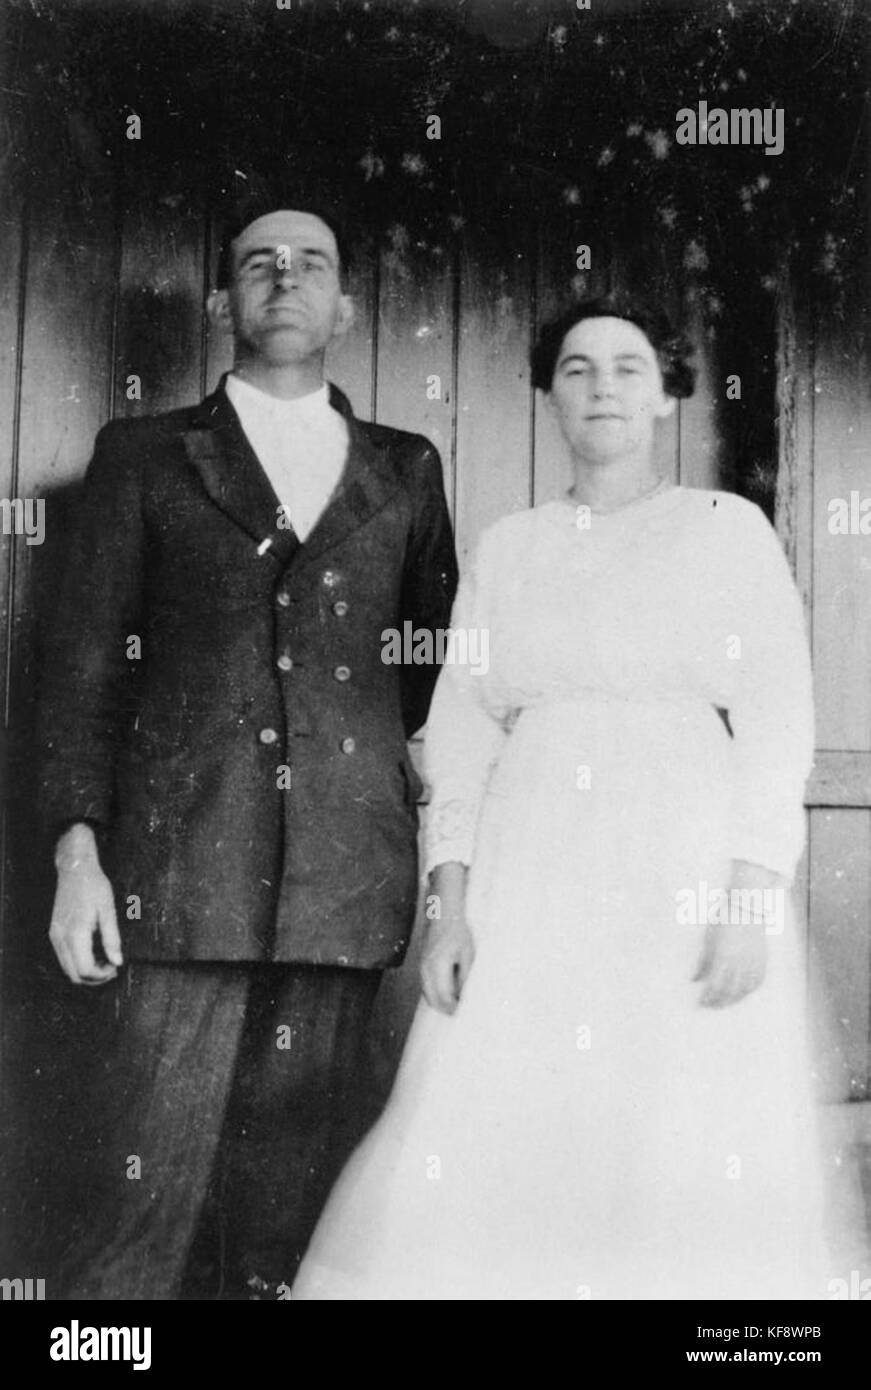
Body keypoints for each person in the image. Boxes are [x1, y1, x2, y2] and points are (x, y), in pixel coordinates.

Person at [292, 294, 855, 1300]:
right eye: (579, 369)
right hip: (536, 861)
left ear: (667, 395)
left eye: (628, 368)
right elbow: (460, 728)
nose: (603, 388)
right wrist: (451, 904)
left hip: (674, 860)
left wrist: (744, 896)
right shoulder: (511, 545)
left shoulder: (724, 529)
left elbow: (776, 718)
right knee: (511, 1102)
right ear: (549, 393)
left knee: (671, 1110)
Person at [37, 195, 458, 1300]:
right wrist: (77, 857)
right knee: (134, 1224)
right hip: (176, 885)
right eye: (258, 262)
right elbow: (80, 671)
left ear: (346, 301)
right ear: (223, 297)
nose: (285, 277)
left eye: (310, 262)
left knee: (285, 1240)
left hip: (338, 890)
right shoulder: (141, 455)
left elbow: (422, 670)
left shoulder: (406, 469)